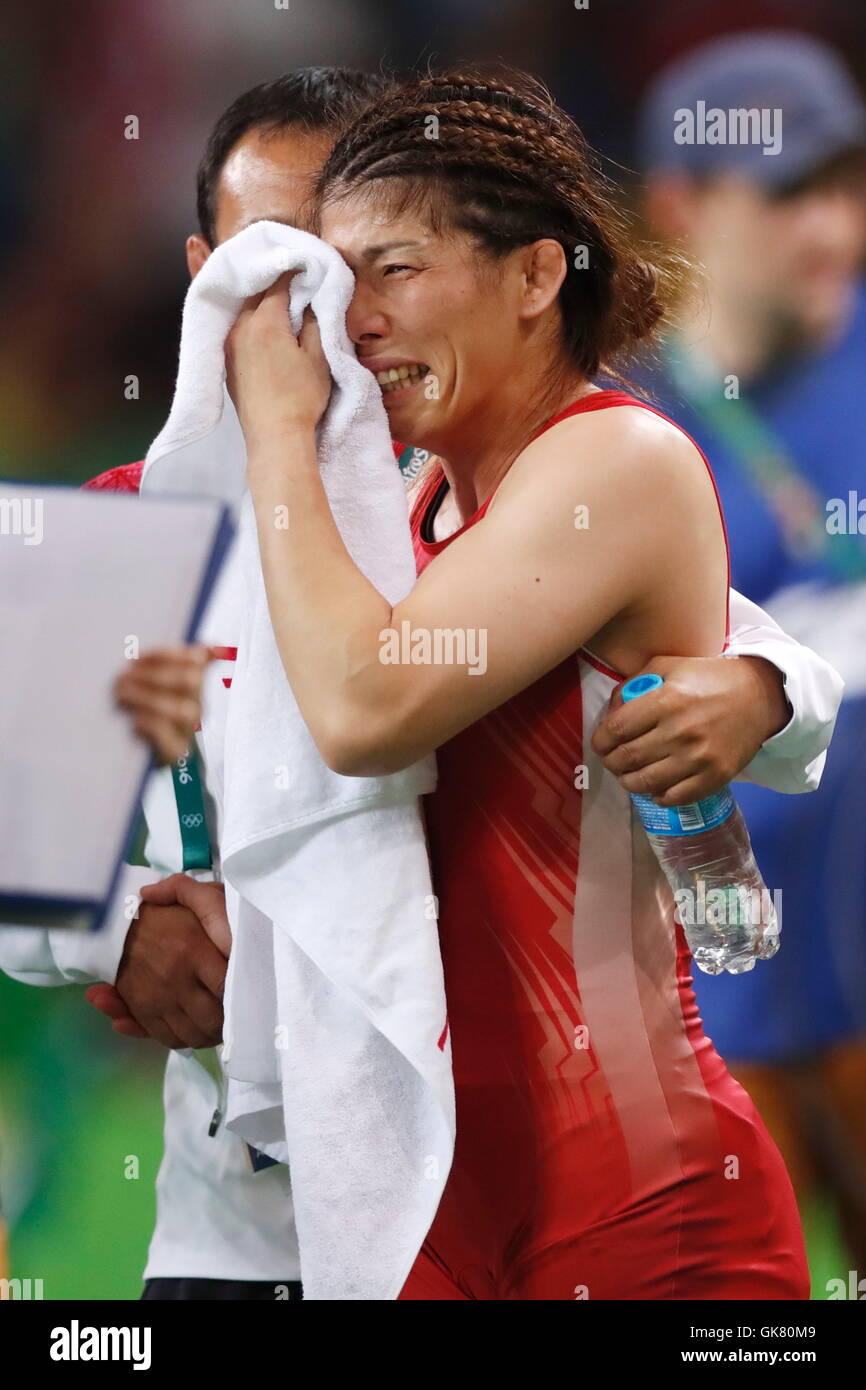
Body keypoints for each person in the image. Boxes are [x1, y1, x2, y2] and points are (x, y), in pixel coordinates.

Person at [0, 65, 842, 1303]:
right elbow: (22, 823)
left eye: (360, 272)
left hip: (520, 1192)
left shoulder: (439, 490)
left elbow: (707, 629)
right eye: (269, 269)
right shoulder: (120, 530)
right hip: (253, 1210)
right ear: (202, 274)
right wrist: (113, 923)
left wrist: (766, 687)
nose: (321, 320)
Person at [636, 31, 866, 1270]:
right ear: (681, 205)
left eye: (845, 185)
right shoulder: (601, 418)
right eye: (788, 195)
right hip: (701, 986)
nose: (830, 227)